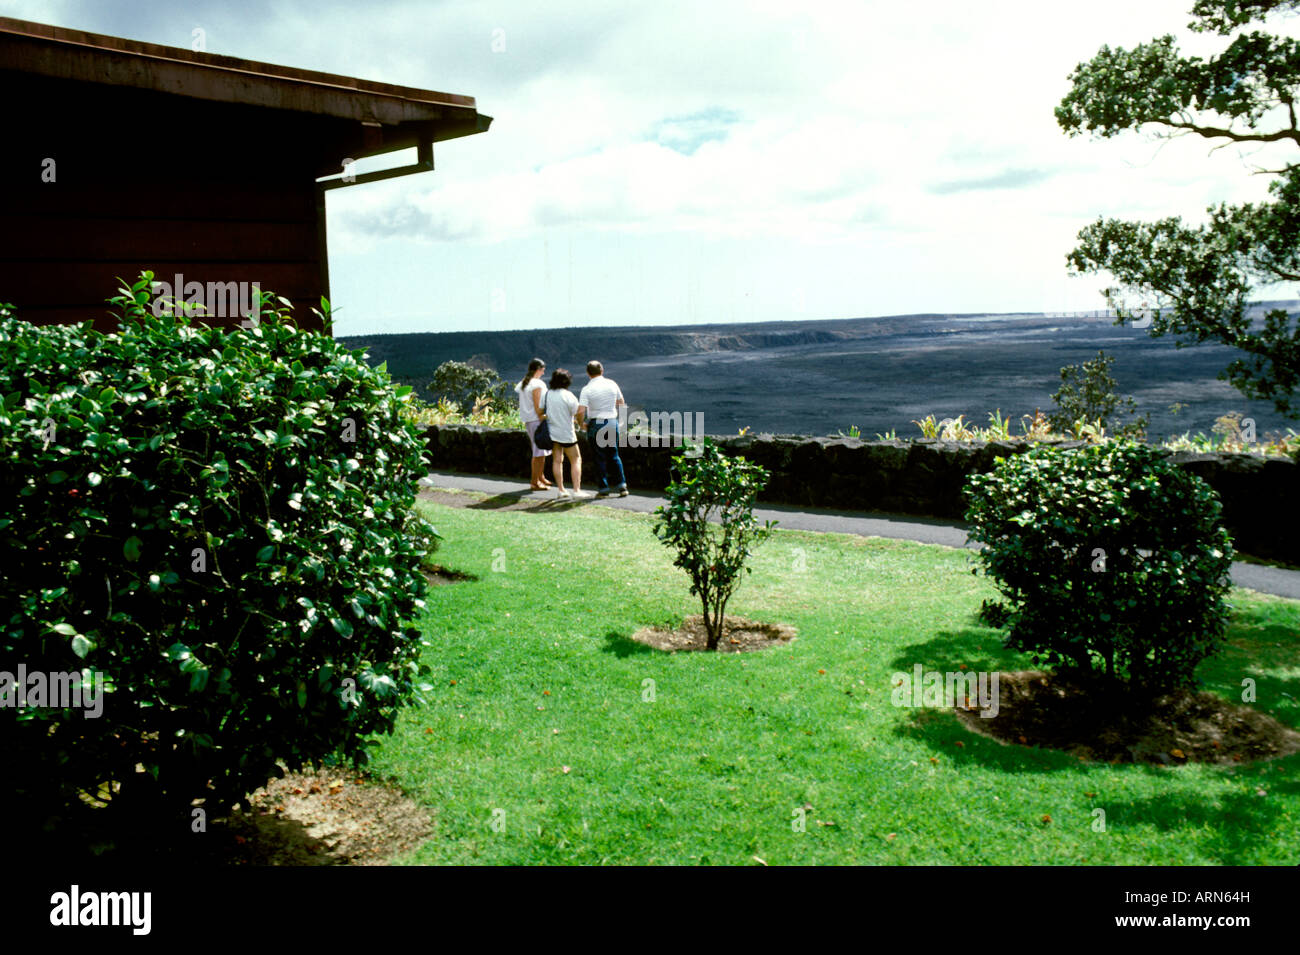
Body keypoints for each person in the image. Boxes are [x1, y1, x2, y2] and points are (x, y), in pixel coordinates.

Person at [577, 360, 628, 497]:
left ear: (588, 373)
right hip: (612, 421)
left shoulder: (586, 389)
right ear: (602, 371)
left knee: (599, 457)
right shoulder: (612, 384)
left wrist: (581, 424)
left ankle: (604, 488)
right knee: (614, 454)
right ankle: (622, 486)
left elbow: (581, 410)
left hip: (596, 424)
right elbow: (621, 402)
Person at [543, 368, 588, 499]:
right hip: (567, 433)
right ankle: (577, 490)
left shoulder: (548, 394)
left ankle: (561, 490)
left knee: (557, 461)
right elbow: (578, 412)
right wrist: (580, 424)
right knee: (576, 459)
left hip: (553, 432)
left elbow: (542, 410)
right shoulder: (568, 396)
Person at [516, 357, 553, 491]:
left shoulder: (523, 383)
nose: (543, 373)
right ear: (538, 370)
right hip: (537, 421)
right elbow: (538, 408)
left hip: (529, 420)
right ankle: (534, 482)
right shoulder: (538, 384)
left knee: (539, 451)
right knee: (539, 454)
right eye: (543, 370)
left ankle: (540, 477)